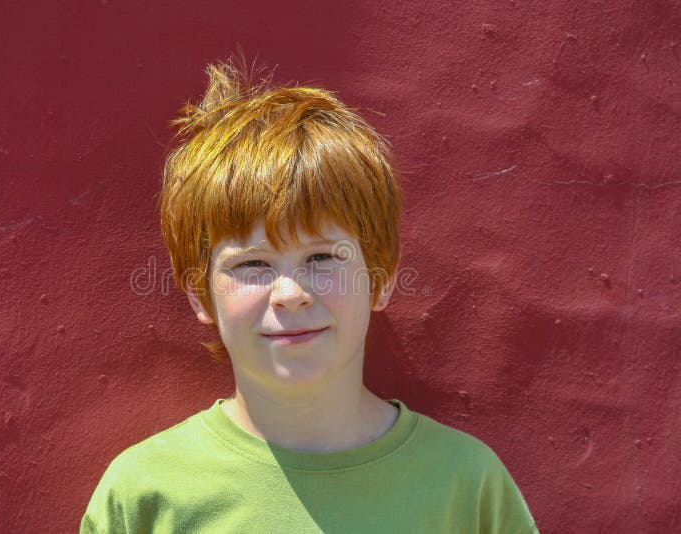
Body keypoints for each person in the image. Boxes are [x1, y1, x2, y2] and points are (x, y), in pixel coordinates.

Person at [80, 57, 539, 534]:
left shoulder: (468, 488)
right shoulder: (144, 497)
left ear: (379, 280)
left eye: (322, 258)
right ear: (199, 295)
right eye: (252, 264)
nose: (291, 293)